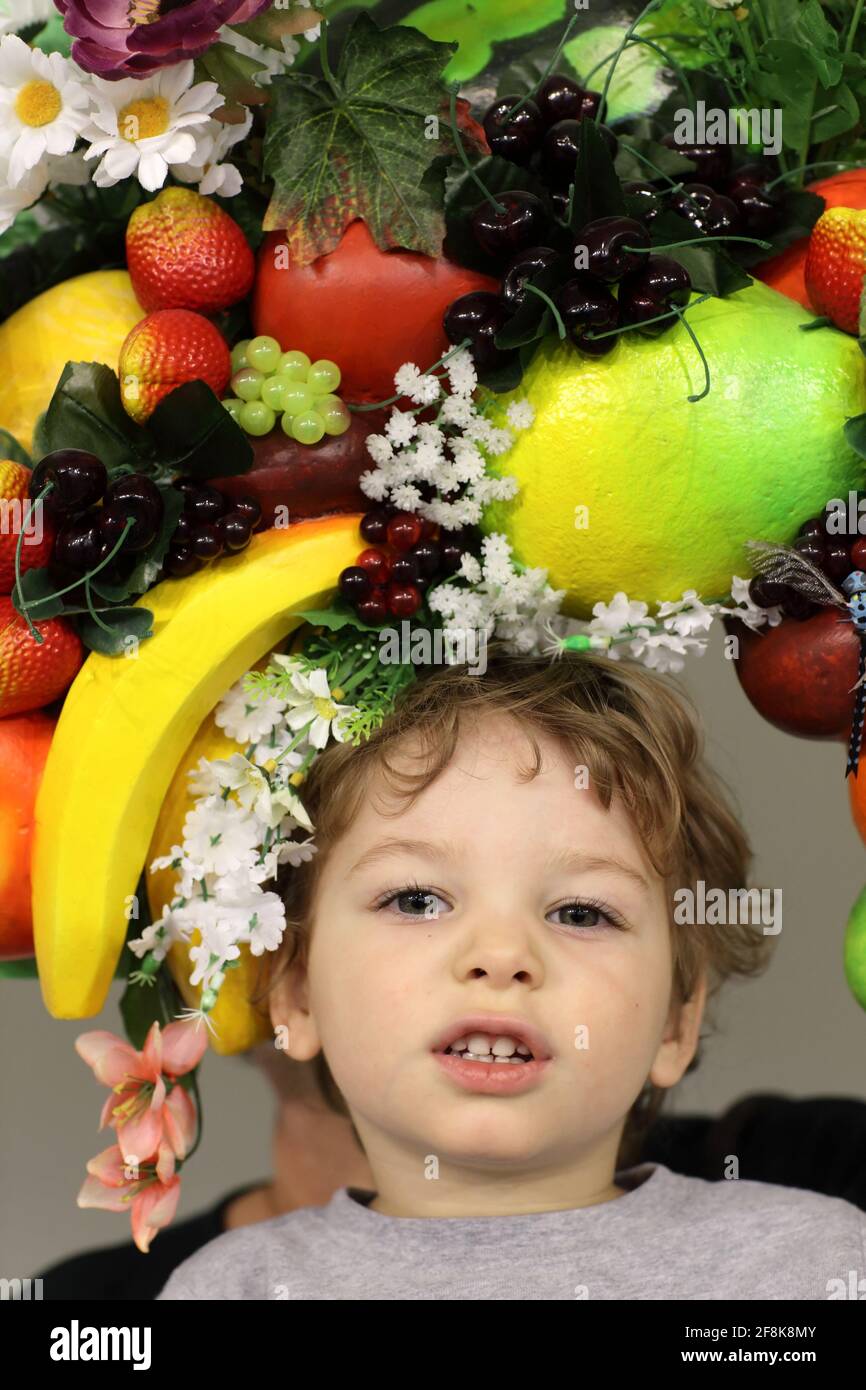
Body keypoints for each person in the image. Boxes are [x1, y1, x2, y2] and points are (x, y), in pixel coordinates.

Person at [148, 646, 865, 1299]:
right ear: (295, 994)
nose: (501, 957)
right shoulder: (229, 1291)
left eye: (582, 913)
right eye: (417, 899)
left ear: (677, 1020)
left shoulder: (802, 1270)